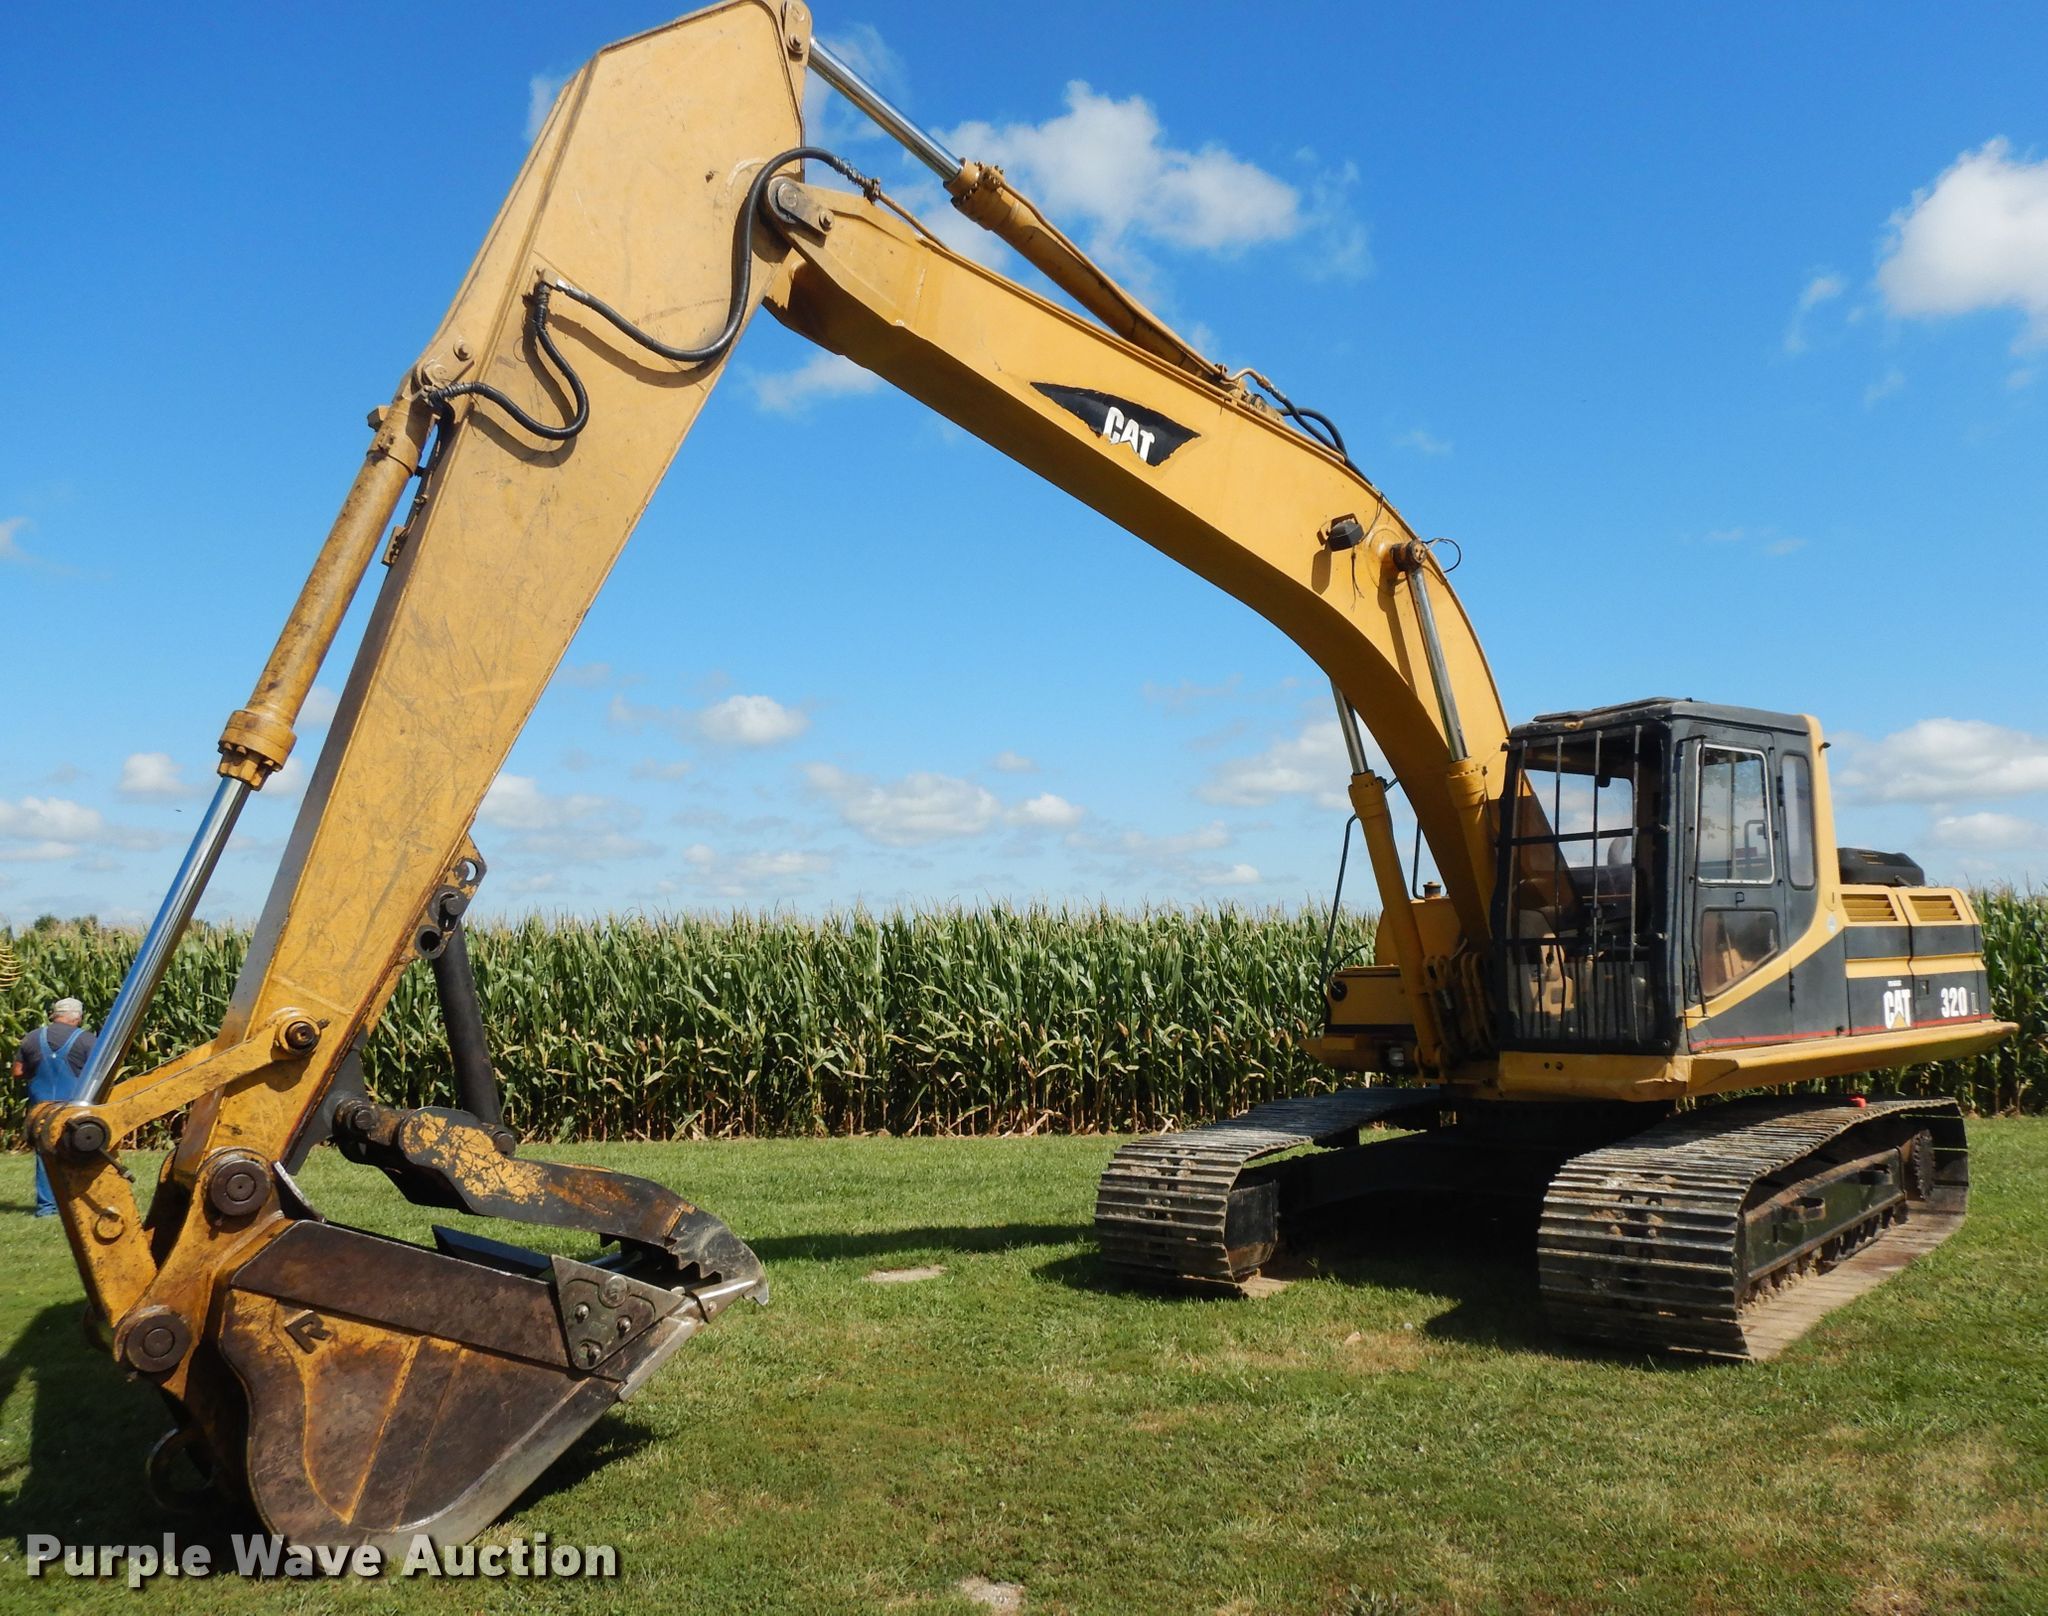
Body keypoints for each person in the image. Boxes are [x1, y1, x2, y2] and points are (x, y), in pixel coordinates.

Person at [12, 997, 97, 1218]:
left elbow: (17, 1072)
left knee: (45, 1156)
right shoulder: (87, 1040)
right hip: (74, 1108)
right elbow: (97, 1074)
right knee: (79, 1153)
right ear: (77, 1017)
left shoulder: (31, 1038)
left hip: (41, 1107)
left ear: (54, 1015)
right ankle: (76, 1203)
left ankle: (47, 1207)